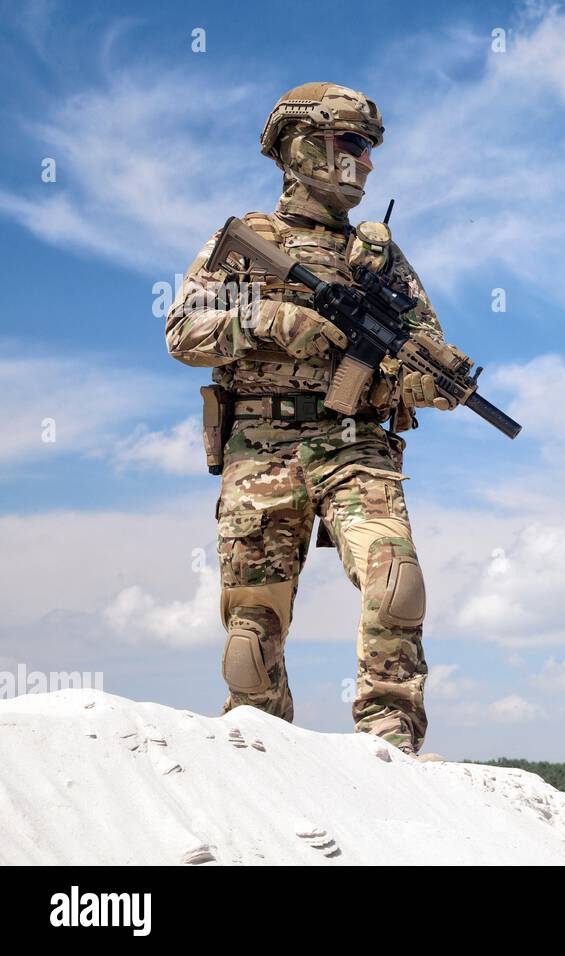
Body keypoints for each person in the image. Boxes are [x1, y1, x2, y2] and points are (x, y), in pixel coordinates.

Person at [165, 83, 450, 758]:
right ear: (303, 148)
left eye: (369, 148)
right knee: (249, 635)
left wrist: (421, 378)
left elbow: (428, 344)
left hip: (357, 445)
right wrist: (272, 320)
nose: (368, 163)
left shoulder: (379, 257)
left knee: (396, 579)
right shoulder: (247, 242)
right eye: (353, 143)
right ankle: (262, 756)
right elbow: (182, 333)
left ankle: (389, 740)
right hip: (262, 447)